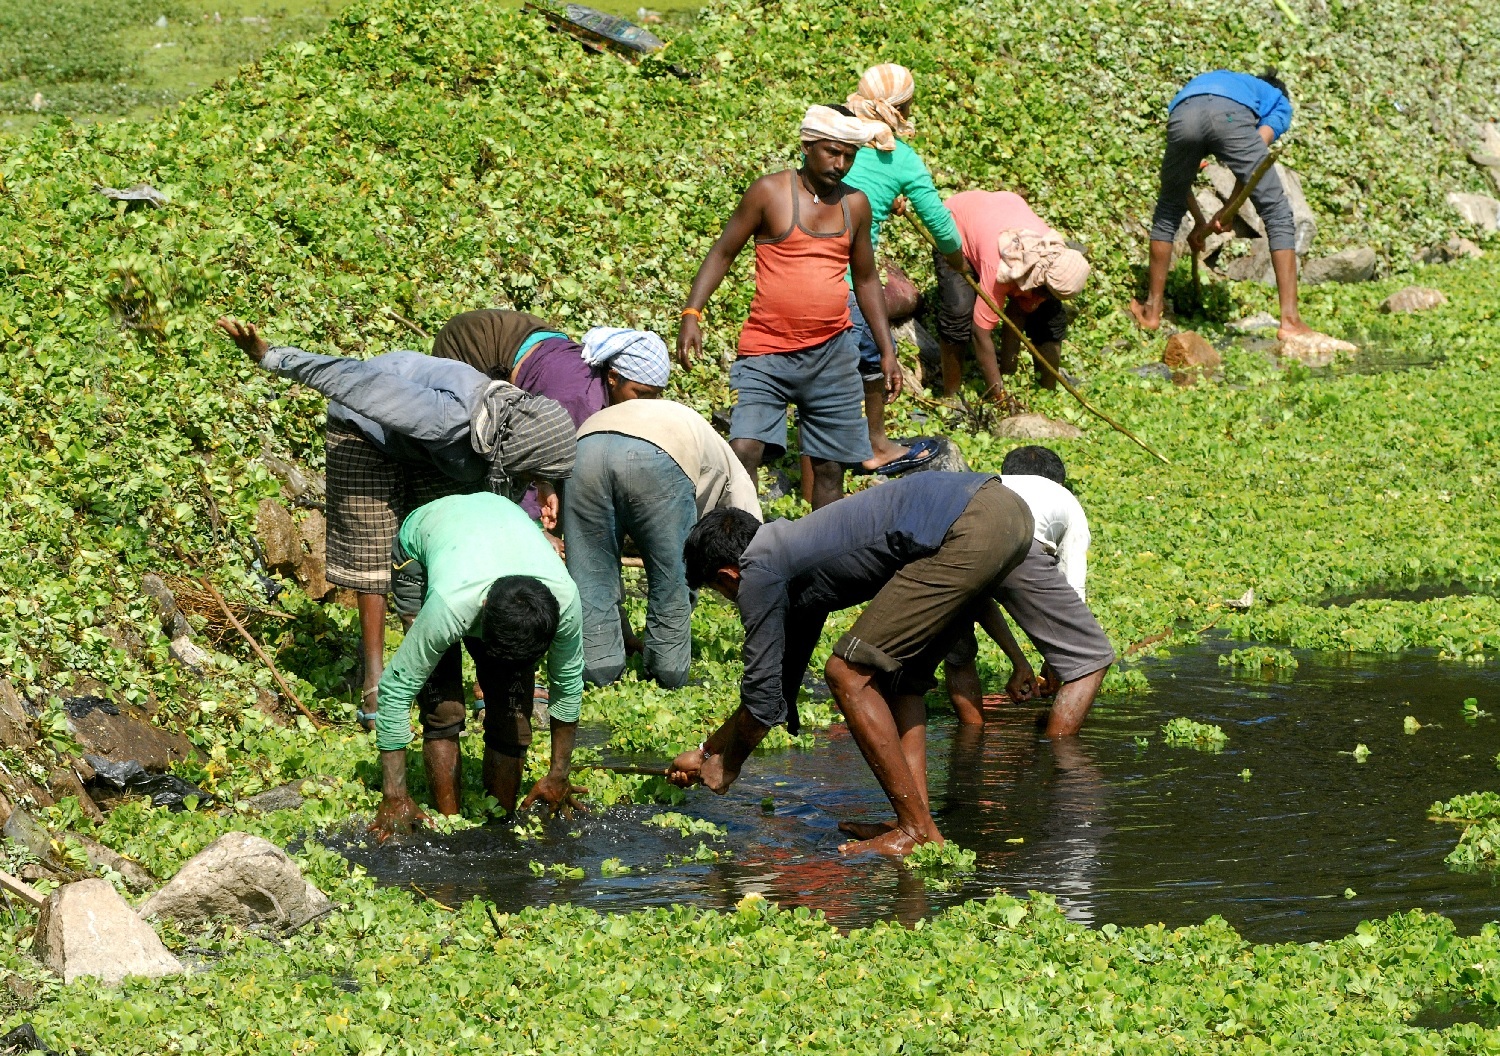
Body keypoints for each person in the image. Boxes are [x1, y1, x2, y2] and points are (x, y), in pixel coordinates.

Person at [667, 472, 1115, 857]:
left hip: (965, 525)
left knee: (847, 673)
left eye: (724, 593)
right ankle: (915, 821)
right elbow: (776, 688)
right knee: (901, 680)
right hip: (1006, 510)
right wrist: (709, 751)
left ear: (728, 576)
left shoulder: (758, 568)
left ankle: (915, 830)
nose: (735, 600)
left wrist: (725, 766)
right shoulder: (791, 553)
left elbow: (764, 700)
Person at [214, 319, 576, 731]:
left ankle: (482, 677)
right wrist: (271, 355)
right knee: (374, 549)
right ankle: (376, 680)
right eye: (530, 474)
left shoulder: (514, 425)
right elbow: (353, 380)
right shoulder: (446, 417)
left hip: (435, 451)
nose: (528, 483)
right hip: (365, 425)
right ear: (508, 453)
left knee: (456, 539)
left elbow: (513, 486)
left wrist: (546, 486)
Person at [676, 105, 897, 510]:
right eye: (832, 152)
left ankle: (822, 560)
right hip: (767, 350)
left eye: (849, 156)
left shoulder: (856, 205)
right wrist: (692, 314)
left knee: (831, 467)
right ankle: (738, 552)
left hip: (833, 352)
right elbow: (723, 252)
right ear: (807, 145)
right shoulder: (770, 193)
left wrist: (886, 350)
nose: (840, 164)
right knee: (744, 449)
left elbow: (866, 279)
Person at [370, 492, 586, 840]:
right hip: (425, 540)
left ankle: (499, 826)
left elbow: (568, 685)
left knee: (513, 708)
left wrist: (558, 773)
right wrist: (395, 796)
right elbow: (397, 689)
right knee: (443, 705)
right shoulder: (450, 605)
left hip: (501, 522)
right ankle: (450, 827)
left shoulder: (564, 603)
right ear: (484, 609)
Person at [566, 398, 762, 688]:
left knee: (590, 575)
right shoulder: (739, 487)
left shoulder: (715, 455)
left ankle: (598, 672)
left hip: (584, 447)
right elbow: (753, 554)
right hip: (659, 452)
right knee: (672, 577)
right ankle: (666, 675)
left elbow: (597, 570)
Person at [841, 64, 969, 474]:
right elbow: (941, 226)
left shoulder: (836, 134)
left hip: (803, 265)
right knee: (872, 360)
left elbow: (858, 185)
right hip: (849, 278)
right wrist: (957, 261)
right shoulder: (901, 158)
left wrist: (887, 195)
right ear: (904, 106)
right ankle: (876, 445)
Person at [1128, 69, 1313, 341]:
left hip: (1183, 111)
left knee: (1167, 212)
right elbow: (1255, 166)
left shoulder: (1234, 83)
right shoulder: (1278, 101)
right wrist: (1229, 211)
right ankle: (1290, 321)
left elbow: (1182, 184)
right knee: (1277, 213)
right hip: (1227, 115)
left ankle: (1151, 312)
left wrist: (1204, 221)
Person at [943, 445, 1093, 724]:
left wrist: (1019, 661)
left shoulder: (986, 485)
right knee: (1092, 658)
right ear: (1058, 482)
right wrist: (1057, 660)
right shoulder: (1063, 497)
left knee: (958, 652)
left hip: (952, 543)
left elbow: (980, 598)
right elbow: (1073, 595)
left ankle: (971, 739)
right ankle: (1059, 749)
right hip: (1019, 545)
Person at [934, 191, 1090, 398]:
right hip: (956, 227)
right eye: (1043, 291)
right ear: (1039, 279)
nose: (1038, 298)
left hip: (1003, 211)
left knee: (1050, 316)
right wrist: (1000, 397)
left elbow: (1016, 314)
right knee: (959, 311)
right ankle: (951, 396)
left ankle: (1047, 391)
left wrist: (1008, 371)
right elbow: (980, 334)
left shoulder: (1053, 254)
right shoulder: (1001, 268)